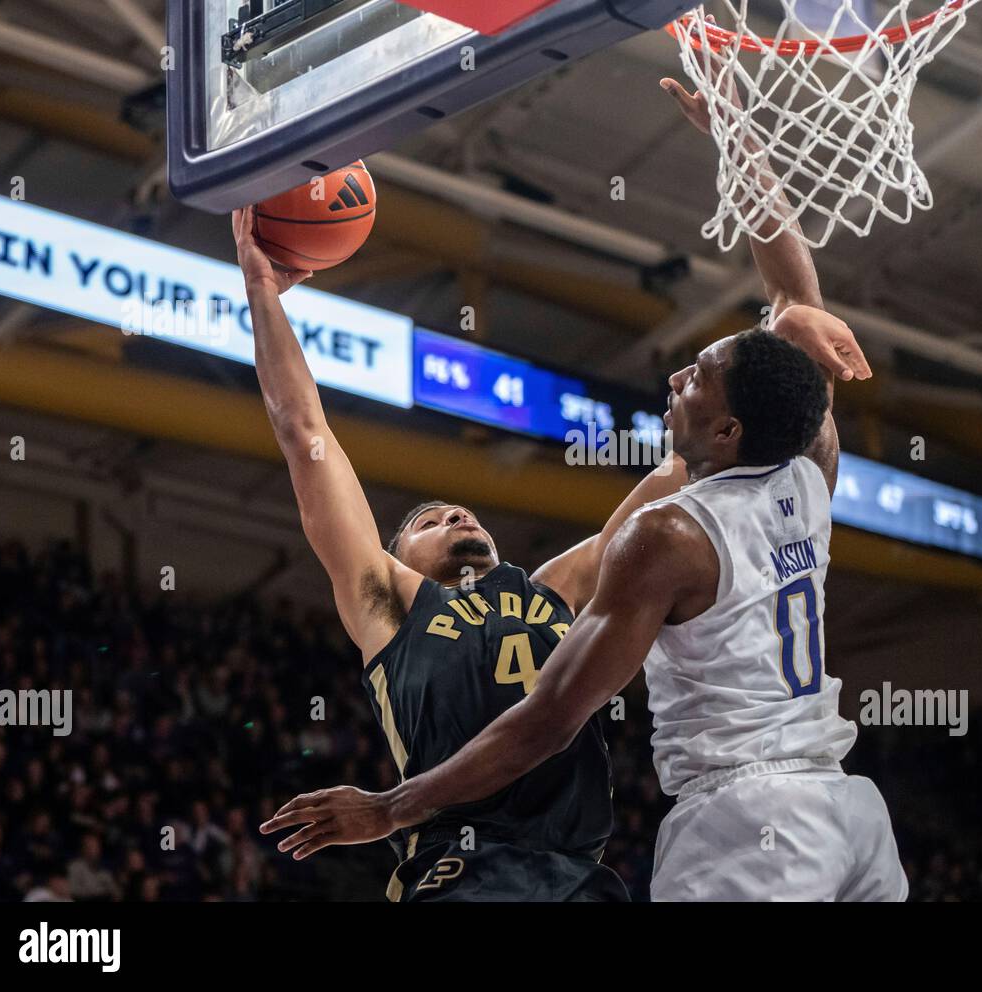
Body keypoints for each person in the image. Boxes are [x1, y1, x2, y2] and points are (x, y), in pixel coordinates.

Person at [259, 76, 902, 902]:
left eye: (698, 377)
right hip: (479, 860)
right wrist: (262, 292)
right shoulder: (389, 600)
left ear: (730, 432)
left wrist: (388, 807)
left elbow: (550, 719)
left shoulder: (604, 565)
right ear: (396, 557)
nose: (453, 512)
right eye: (424, 518)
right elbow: (307, 439)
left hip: (645, 852)